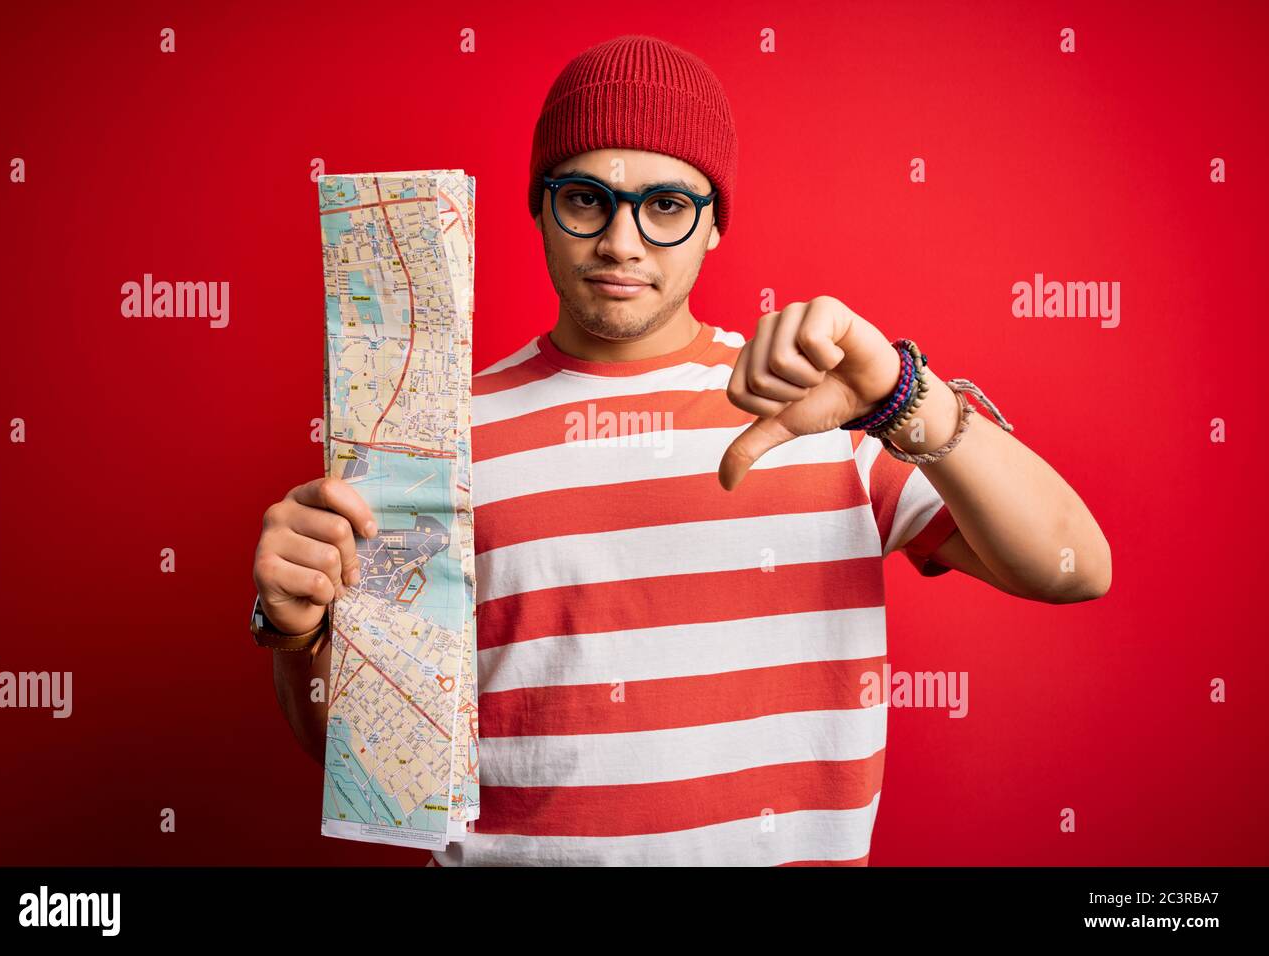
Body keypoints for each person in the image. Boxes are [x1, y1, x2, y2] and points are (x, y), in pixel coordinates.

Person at [250, 34, 1111, 866]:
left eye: (666, 206)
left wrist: (902, 397)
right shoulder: (434, 435)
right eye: (586, 197)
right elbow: (378, 766)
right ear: (539, 206)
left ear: (713, 227)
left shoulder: (823, 408)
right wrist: (297, 637)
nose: (622, 242)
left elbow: (1074, 568)